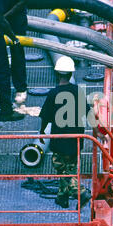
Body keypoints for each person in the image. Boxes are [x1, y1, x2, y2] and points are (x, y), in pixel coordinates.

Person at [39, 56, 92, 209]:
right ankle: (62, 197)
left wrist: (42, 133)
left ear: (57, 74)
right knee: (70, 167)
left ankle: (80, 193)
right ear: (70, 74)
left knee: (61, 168)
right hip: (75, 140)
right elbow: (87, 113)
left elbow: (45, 117)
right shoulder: (78, 91)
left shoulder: (53, 93)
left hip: (59, 140)